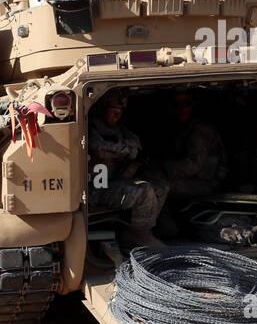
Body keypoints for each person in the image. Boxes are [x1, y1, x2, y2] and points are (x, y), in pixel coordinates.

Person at [89, 90, 168, 248]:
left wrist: (135, 151)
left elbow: (136, 145)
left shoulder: (120, 130)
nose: (117, 116)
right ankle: (139, 236)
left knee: (160, 186)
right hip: (96, 189)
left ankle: (142, 231)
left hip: (116, 183)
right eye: (114, 111)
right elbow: (98, 148)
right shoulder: (91, 127)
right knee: (143, 190)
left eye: (121, 111)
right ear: (103, 108)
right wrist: (126, 150)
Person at [162, 91, 226, 197]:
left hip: (209, 183)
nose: (182, 109)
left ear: (193, 104)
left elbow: (193, 166)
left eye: (186, 103)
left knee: (160, 187)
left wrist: (162, 166)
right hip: (195, 179)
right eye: (177, 105)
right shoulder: (181, 128)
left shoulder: (202, 130)